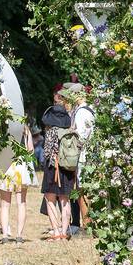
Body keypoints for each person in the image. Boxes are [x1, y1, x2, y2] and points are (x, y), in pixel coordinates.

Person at [40, 89, 76, 240]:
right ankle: (63, 231)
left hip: (52, 167)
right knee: (65, 199)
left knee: (50, 199)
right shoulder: (69, 128)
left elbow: (47, 153)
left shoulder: (50, 132)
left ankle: (55, 232)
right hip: (67, 167)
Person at [0, 126, 35, 243]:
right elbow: (30, 149)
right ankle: (19, 235)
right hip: (21, 167)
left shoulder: (2, 127)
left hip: (6, 165)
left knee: (4, 204)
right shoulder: (25, 129)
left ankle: (4, 236)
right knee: (21, 202)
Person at [65, 84, 95, 233]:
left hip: (83, 155)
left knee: (82, 190)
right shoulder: (90, 109)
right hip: (91, 154)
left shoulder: (81, 112)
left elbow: (81, 136)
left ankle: (87, 224)